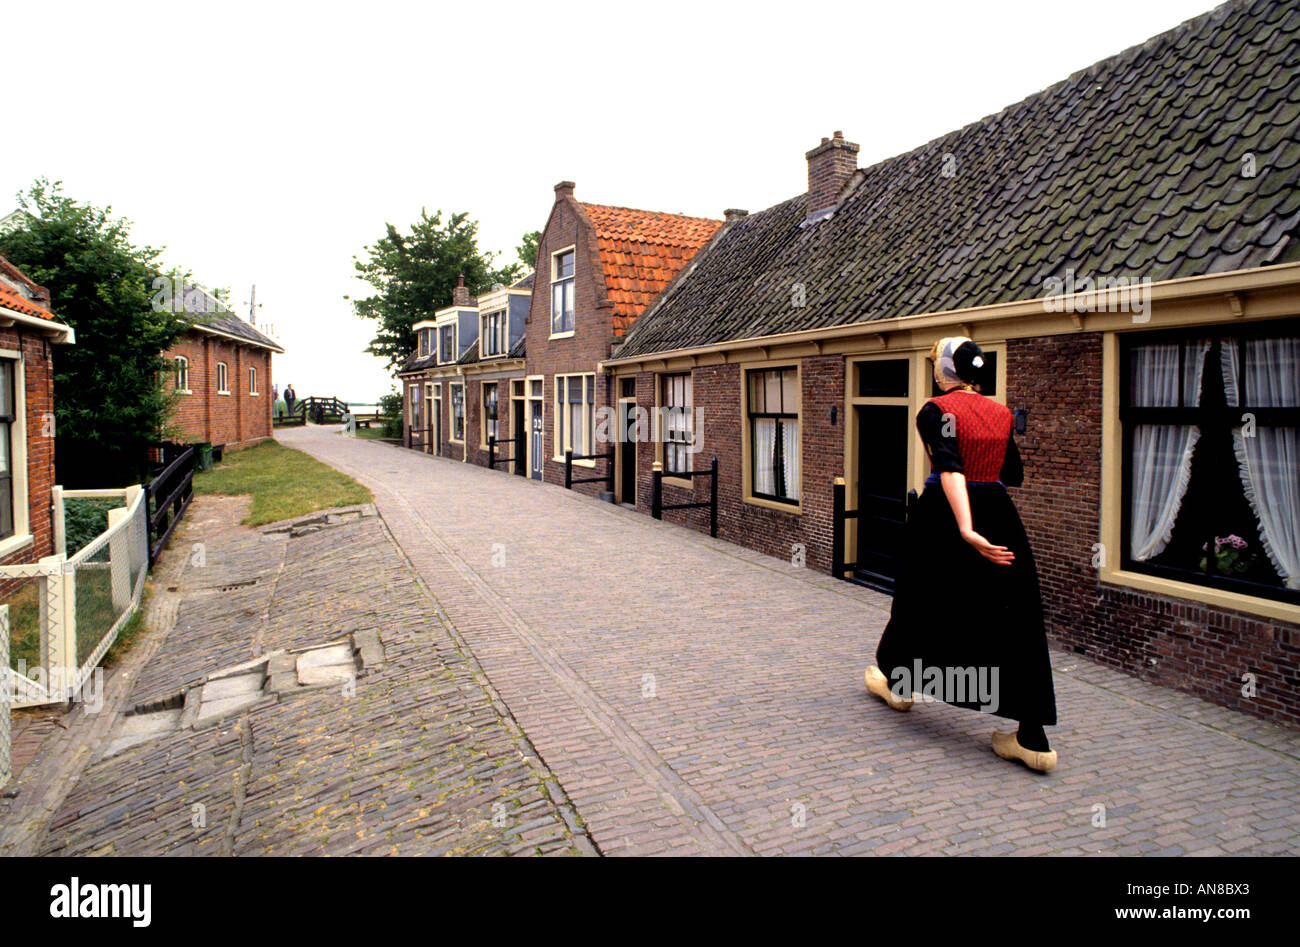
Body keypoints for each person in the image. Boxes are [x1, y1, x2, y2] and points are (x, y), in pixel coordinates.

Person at [864, 337, 1059, 772]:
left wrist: (966, 528)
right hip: (999, 510)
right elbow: (1014, 473)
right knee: (1014, 612)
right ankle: (1032, 739)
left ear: (942, 372)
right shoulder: (1002, 413)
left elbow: (949, 466)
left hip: (946, 514)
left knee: (918, 598)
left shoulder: (935, 409)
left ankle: (899, 684)